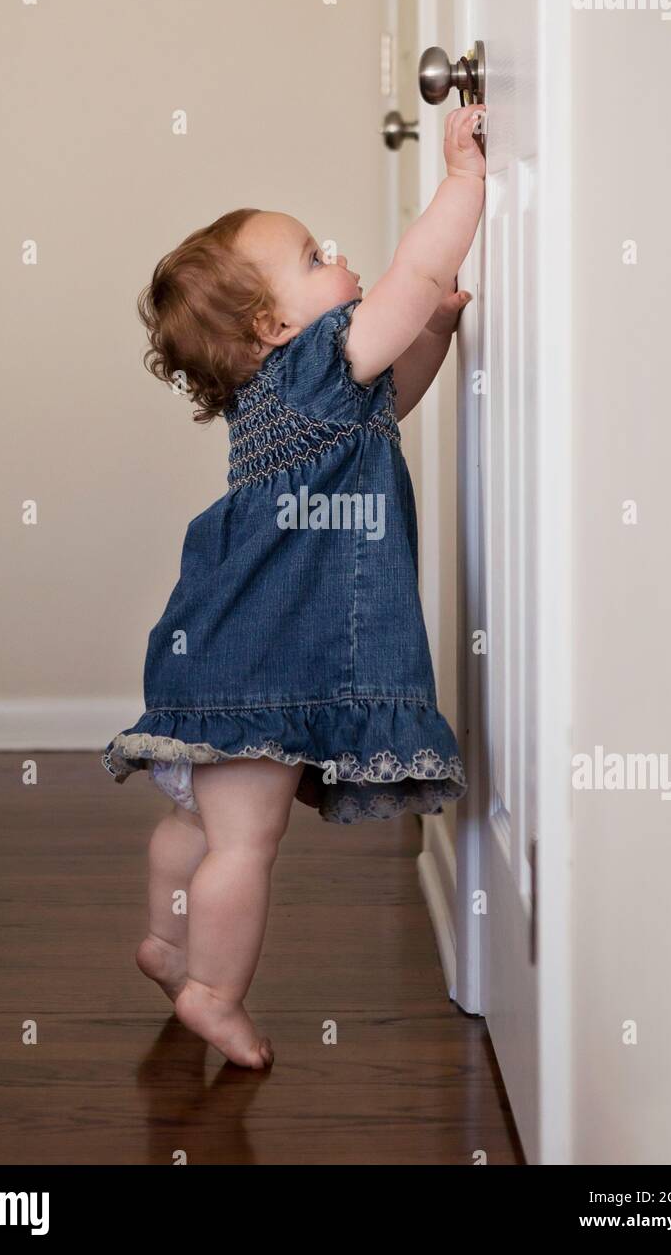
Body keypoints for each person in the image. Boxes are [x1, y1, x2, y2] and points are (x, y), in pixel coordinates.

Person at [102, 103, 487, 1067]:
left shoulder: (288, 398)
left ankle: (166, 941)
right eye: (318, 258)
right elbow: (416, 275)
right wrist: (466, 183)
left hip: (210, 652)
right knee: (246, 845)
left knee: (193, 819)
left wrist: (433, 330)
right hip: (266, 667)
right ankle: (215, 993)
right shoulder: (320, 361)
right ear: (277, 324)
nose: (341, 258)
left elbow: (396, 389)